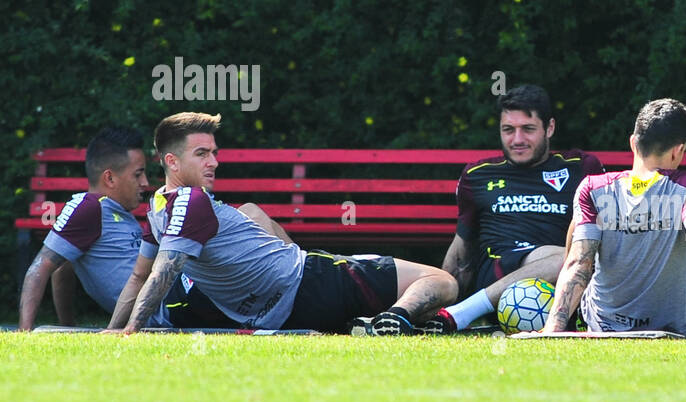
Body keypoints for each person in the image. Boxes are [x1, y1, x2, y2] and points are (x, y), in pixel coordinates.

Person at [113, 112, 458, 335]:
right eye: (202, 154)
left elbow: (138, 276)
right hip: (312, 282)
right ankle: (394, 318)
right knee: (442, 281)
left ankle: (378, 318)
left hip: (287, 310)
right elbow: (160, 274)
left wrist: (116, 330)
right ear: (171, 161)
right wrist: (131, 330)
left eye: (214, 152)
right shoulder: (191, 201)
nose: (214, 162)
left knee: (251, 210)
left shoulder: (158, 209)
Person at [542, 98, 686, 339]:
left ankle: (566, 321)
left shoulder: (592, 187)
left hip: (601, 325)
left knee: (579, 225)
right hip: (672, 327)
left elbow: (578, 262)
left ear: (633, 142)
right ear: (678, 150)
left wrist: (552, 329)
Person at [18, 126, 234, 331]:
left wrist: (67, 325)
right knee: (251, 227)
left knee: (250, 227)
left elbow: (62, 267)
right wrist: (25, 332)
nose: (145, 182)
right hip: (173, 304)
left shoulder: (119, 213)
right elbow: (42, 267)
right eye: (138, 174)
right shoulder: (88, 206)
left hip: (182, 293)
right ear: (110, 178)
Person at [432, 84, 604, 332]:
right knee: (569, 258)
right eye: (508, 130)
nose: (517, 139)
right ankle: (464, 312)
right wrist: (438, 303)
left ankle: (467, 311)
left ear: (550, 128)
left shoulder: (580, 167)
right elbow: (461, 255)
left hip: (562, 283)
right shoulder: (478, 174)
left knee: (572, 257)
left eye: (528, 129)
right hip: (499, 270)